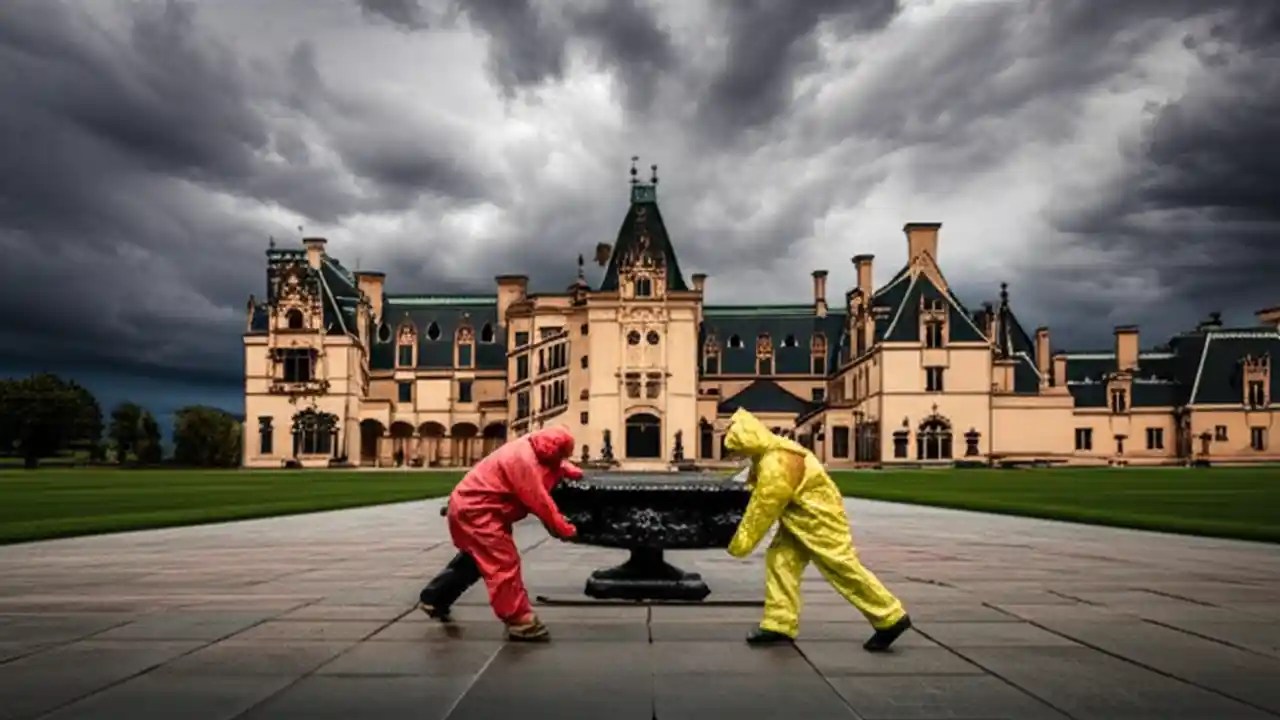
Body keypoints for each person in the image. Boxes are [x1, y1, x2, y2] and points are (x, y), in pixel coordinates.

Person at [723, 408, 912, 651]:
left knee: (841, 567)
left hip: (817, 519)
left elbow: (763, 509)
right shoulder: (774, 451)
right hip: (802, 516)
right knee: (781, 559)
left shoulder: (776, 462)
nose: (736, 455)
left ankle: (890, 617)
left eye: (737, 449)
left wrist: (740, 544)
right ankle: (779, 623)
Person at [417, 425, 582, 642]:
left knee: (477, 559)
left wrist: (568, 469)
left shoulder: (530, 446)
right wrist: (564, 529)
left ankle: (435, 597)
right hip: (478, 512)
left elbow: (551, 463)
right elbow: (539, 501)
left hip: (473, 507)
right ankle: (519, 621)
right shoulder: (523, 461)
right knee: (503, 561)